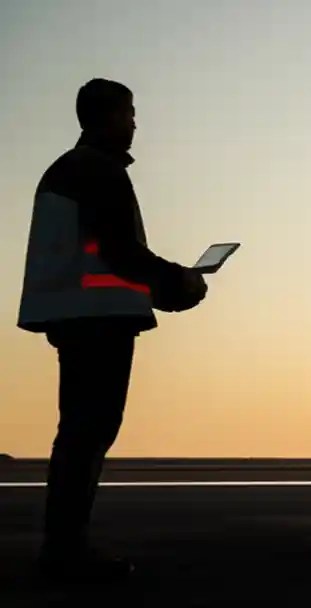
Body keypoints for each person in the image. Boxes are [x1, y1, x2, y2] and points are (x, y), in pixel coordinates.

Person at [16, 78, 209, 582]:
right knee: (89, 430)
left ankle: (62, 548)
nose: (135, 123)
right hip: (96, 317)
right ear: (107, 116)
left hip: (76, 314)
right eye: (129, 113)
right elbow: (121, 252)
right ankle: (66, 553)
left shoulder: (69, 169)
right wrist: (178, 283)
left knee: (79, 430)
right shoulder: (97, 171)